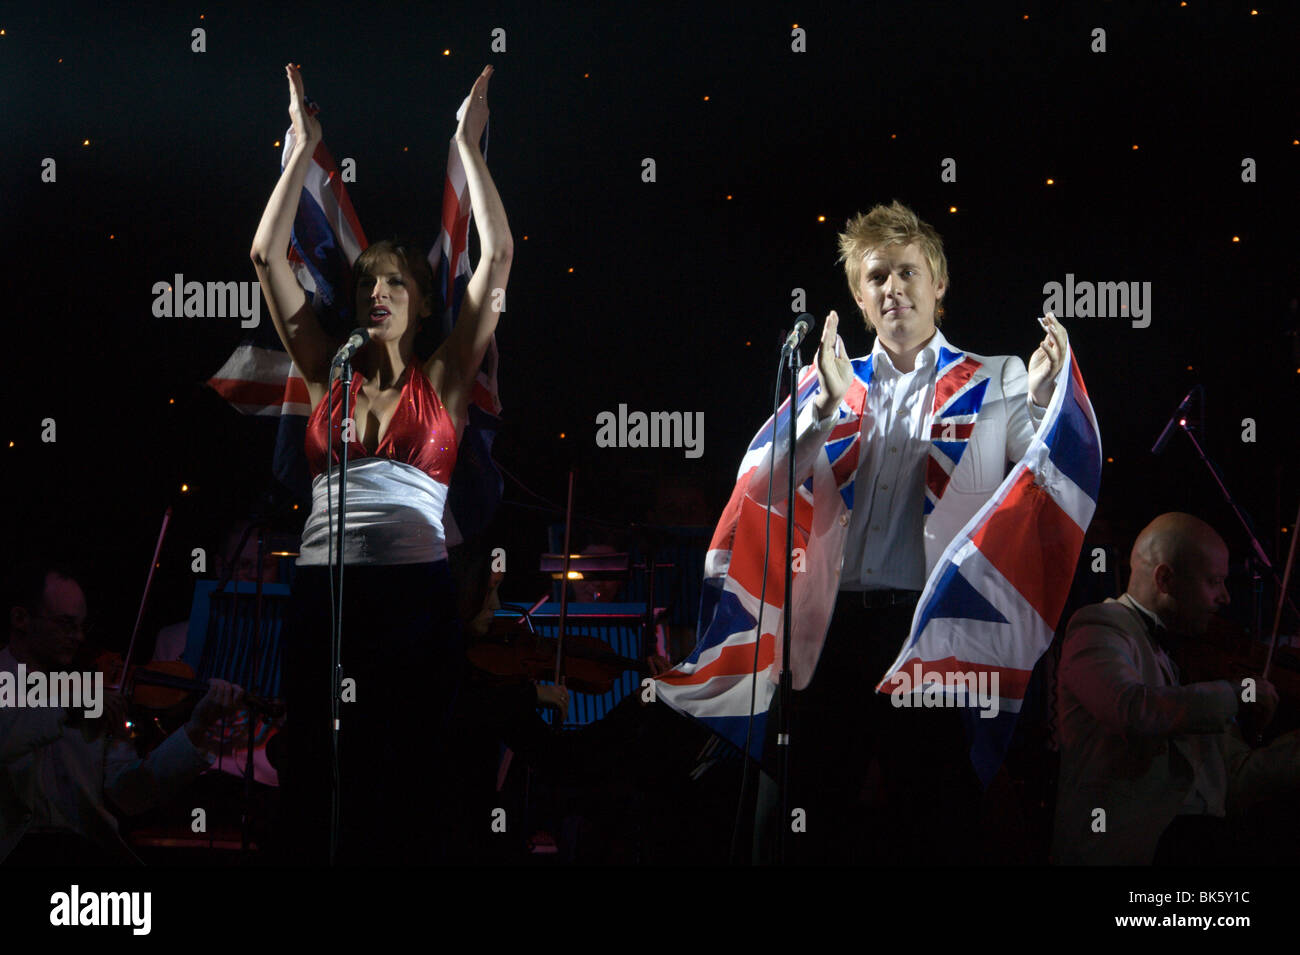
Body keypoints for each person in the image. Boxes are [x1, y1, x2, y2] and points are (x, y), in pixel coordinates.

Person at [750, 200, 1071, 863]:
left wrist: (1042, 400)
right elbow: (760, 486)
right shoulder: (828, 381)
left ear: (939, 283)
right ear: (859, 299)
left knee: (938, 824)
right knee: (798, 822)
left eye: (907, 271)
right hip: (831, 635)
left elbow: (1049, 475)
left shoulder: (995, 377)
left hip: (932, 634)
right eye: (876, 277)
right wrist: (825, 407)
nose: (892, 287)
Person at [249, 63, 511, 864]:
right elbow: (265, 256)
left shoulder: (446, 377)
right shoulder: (330, 368)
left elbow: (495, 260)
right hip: (324, 596)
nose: (379, 292)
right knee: (320, 770)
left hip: (413, 599)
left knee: (411, 773)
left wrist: (467, 145)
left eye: (396, 281)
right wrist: (304, 149)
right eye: (368, 281)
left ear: (423, 300)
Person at [1053, 513, 1300, 865]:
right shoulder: (1100, 625)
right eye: (1214, 582)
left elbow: (1233, 781)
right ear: (1165, 579)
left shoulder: (1183, 655)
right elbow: (1129, 708)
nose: (1226, 598)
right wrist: (1238, 693)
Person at [1, 563, 244, 865]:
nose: (78, 637)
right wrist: (69, 708)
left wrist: (196, 728)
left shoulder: (92, 693)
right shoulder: (68, 698)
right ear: (20, 618)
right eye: (66, 624)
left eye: (82, 626)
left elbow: (130, 794)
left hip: (84, 857)